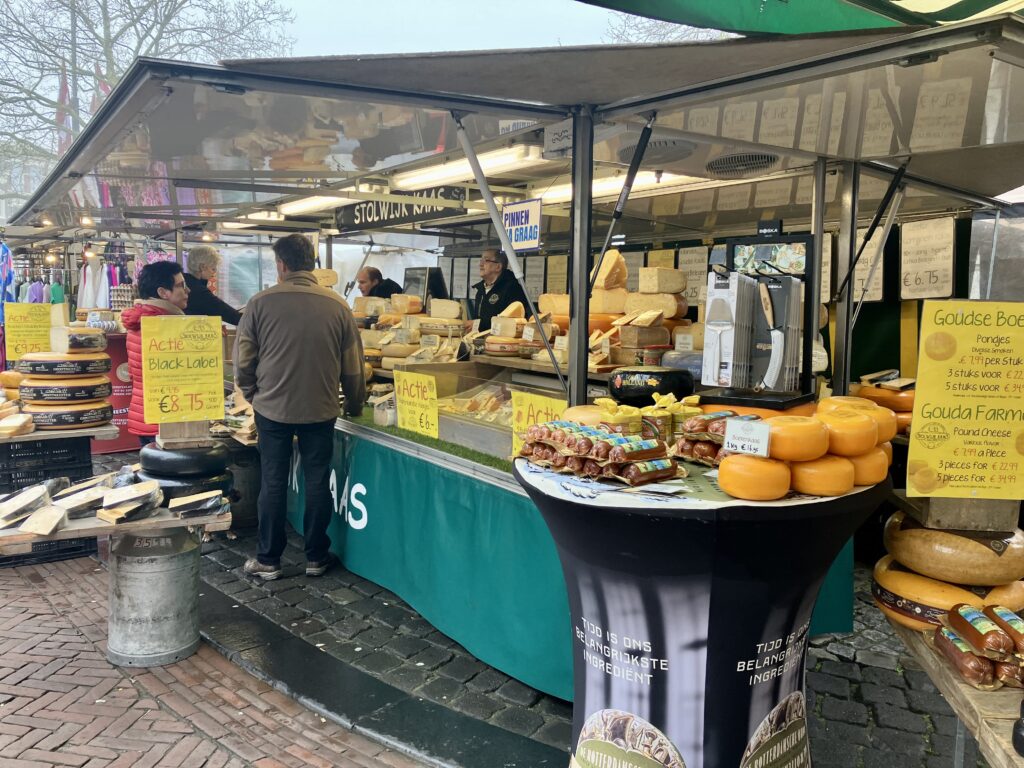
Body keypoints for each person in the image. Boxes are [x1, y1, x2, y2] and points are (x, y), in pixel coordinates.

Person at [235, 234, 366, 581]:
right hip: (320, 408)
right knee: (317, 479)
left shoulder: (259, 303)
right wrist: (355, 403)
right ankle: (316, 556)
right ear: (312, 263)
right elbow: (353, 367)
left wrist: (252, 393)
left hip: (272, 408)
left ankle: (268, 559)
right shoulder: (338, 306)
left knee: (273, 480)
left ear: (281, 265)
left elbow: (243, 362)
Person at [120, 261, 190, 446]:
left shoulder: (142, 321)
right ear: (163, 292)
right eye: (181, 285)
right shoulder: (161, 326)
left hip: (145, 415)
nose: (187, 290)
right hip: (165, 419)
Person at [471, 249, 532, 331]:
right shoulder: (480, 290)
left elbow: (512, 322)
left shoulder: (513, 289)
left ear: (498, 267)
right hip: (480, 338)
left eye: (486, 260)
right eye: (481, 260)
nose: (481, 264)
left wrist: (478, 324)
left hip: (502, 338)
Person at [184, 245, 242, 325]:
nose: (215, 272)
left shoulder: (185, 282)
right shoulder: (199, 291)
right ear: (202, 267)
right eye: (213, 268)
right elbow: (233, 317)